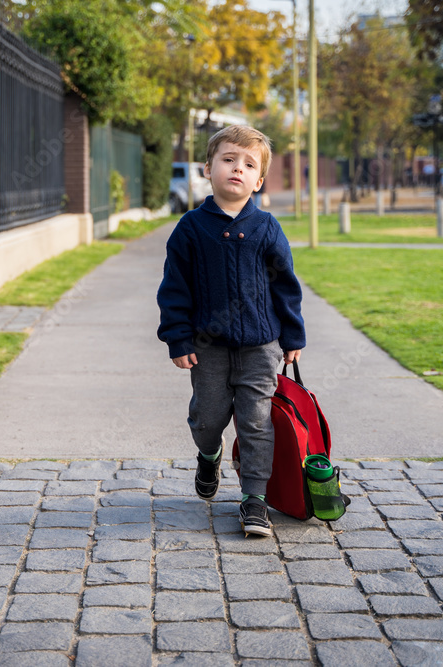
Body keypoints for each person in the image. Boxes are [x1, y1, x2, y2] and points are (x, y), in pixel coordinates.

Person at [156, 125, 305, 537]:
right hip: (207, 348)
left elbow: (286, 285)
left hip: (262, 346)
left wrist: (292, 338)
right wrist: (179, 338)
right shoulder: (190, 228)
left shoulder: (267, 228)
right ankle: (210, 452)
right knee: (209, 416)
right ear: (208, 168)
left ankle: (254, 499)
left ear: (259, 181)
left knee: (257, 421)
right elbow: (174, 288)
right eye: (228, 160)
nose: (237, 168)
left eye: (248, 164)